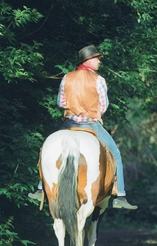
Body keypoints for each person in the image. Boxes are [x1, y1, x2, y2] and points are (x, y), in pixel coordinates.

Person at [29, 45, 138, 209]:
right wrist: (93, 112)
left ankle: (40, 188)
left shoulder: (67, 77)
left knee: (47, 151)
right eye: (96, 58)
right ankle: (120, 196)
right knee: (115, 153)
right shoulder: (99, 80)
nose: (99, 61)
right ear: (88, 60)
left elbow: (61, 102)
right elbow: (104, 105)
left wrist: (74, 110)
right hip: (91, 124)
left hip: (69, 123)